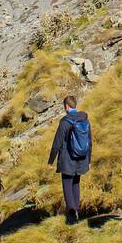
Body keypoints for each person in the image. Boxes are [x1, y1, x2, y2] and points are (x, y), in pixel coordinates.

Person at [48, 96, 92, 225]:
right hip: (82, 158)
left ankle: (72, 214)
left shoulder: (65, 121)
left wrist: (51, 161)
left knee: (67, 184)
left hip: (68, 159)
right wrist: (89, 159)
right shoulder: (85, 119)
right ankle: (76, 211)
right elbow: (90, 142)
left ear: (67, 106)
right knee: (76, 183)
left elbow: (57, 142)